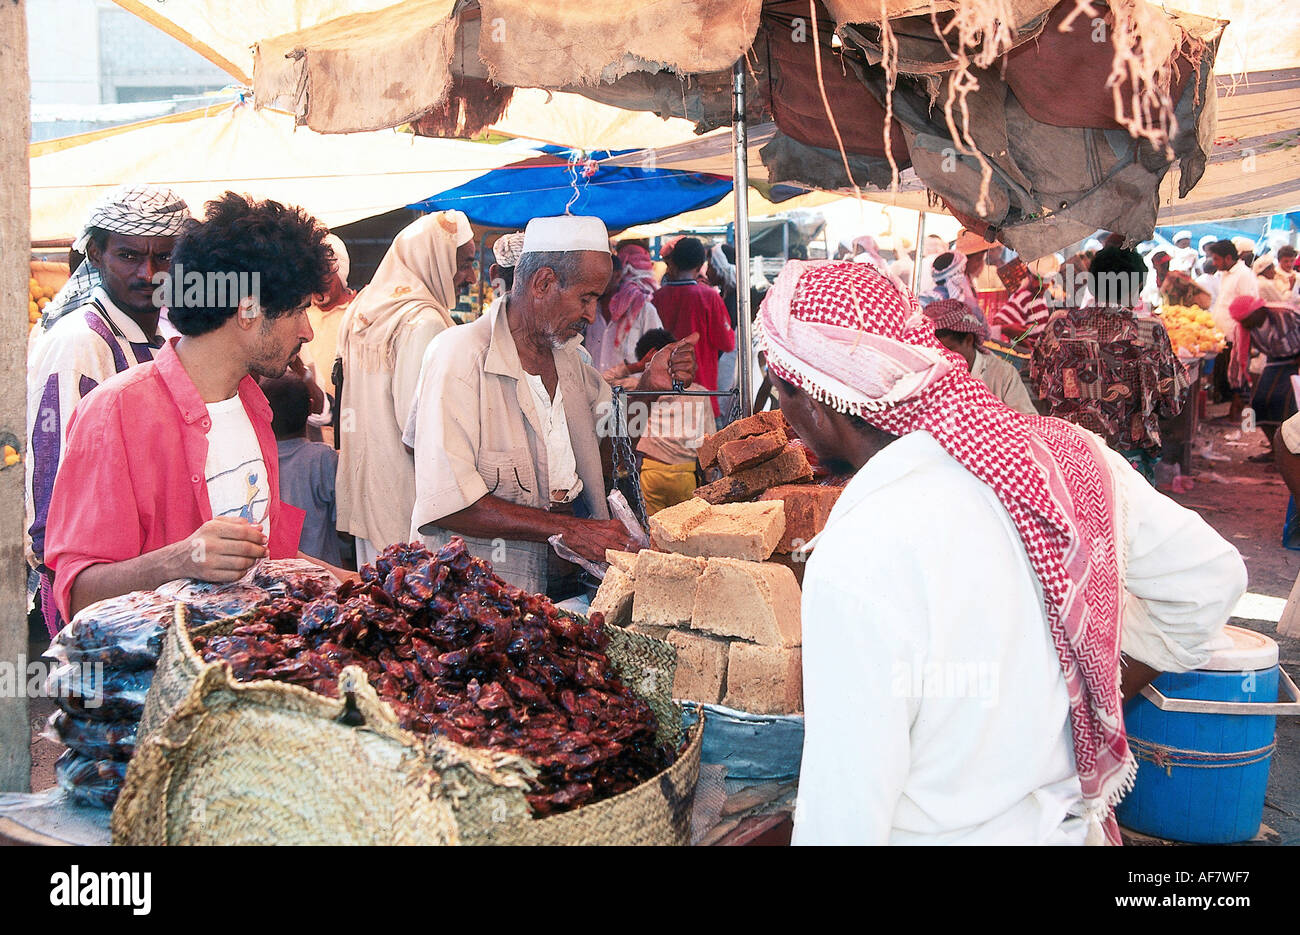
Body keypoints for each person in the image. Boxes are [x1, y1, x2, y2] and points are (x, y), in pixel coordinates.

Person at [757, 260, 1245, 845]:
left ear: (805, 397)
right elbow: (1212, 581)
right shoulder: (1071, 460)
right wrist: (1094, 674)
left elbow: (844, 819)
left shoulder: (857, 552)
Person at [43, 192, 341, 622]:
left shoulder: (255, 407)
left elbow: (264, 557)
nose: (308, 331)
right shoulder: (115, 413)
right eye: (297, 311)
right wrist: (180, 560)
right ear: (248, 310)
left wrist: (354, 581)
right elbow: (77, 596)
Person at [405, 215, 698, 597]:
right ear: (543, 283)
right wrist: (572, 531)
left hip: (566, 580)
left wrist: (647, 390)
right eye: (586, 297)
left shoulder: (574, 364)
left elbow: (606, 461)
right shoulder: (457, 356)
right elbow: (449, 503)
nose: (592, 315)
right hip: (477, 593)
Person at [26, 183, 191, 635]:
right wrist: (68, 585)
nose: (149, 273)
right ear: (96, 255)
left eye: (164, 258)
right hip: (99, 586)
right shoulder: (80, 342)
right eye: (129, 256)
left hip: (150, 575)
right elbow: (52, 475)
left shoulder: (161, 332)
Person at [335, 210, 476, 567]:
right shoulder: (422, 322)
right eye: (463, 263)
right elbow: (421, 429)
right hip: (406, 499)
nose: (470, 277)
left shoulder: (364, 308)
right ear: (435, 257)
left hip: (369, 493)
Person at [1031, 245, 1188, 482]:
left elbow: (1037, 383)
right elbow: (1172, 401)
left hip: (1070, 453)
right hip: (1129, 460)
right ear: (1138, 288)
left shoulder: (1059, 325)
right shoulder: (1149, 330)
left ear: (1092, 284)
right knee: (1127, 517)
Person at [627, 328, 717, 514]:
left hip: (650, 473)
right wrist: (709, 479)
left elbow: (607, 378)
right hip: (685, 476)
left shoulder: (637, 390)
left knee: (652, 531)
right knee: (684, 531)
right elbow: (708, 442)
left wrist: (637, 368)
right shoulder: (700, 393)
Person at [262, 375, 343, 567]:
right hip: (322, 573)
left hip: (274, 572)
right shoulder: (323, 458)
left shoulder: (257, 458)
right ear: (310, 407)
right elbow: (343, 525)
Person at [652, 236, 734, 416]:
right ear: (700, 266)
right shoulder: (709, 297)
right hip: (701, 393)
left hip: (663, 397)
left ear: (672, 262)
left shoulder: (657, 297)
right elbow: (727, 344)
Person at [924, 299, 1038, 416]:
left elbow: (1028, 421)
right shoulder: (925, 375)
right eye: (936, 351)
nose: (942, 357)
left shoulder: (1003, 374)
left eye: (949, 350)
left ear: (969, 340)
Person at [1227, 295, 1300, 458]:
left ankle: (1293, 451)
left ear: (1258, 311)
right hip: (1275, 361)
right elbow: (1237, 360)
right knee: (1259, 402)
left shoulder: (1286, 313)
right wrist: (1238, 391)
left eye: (1246, 320)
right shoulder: (1242, 329)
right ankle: (1277, 450)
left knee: (1289, 402)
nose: (1245, 325)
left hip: (1297, 359)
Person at [584, 243, 662, 374]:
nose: (595, 281)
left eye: (601, 276)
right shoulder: (588, 310)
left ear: (617, 275)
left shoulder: (643, 310)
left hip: (629, 392)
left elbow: (658, 354)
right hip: (595, 391)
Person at [304, 232, 354, 401]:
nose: (319, 281)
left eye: (325, 273)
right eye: (312, 274)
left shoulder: (358, 314)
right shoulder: (299, 314)